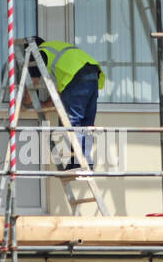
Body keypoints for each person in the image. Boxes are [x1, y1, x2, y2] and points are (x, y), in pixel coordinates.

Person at [28, 37, 105, 170]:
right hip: (92, 76)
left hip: (77, 79)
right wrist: (46, 104)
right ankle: (85, 162)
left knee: (69, 123)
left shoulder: (38, 54)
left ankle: (78, 162)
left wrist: (24, 102)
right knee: (86, 124)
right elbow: (59, 92)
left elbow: (31, 87)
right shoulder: (56, 47)